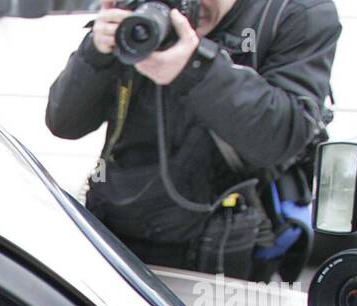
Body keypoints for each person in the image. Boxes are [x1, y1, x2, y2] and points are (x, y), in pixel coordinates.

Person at [46, 0, 341, 280]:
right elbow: (64, 123)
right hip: (112, 233)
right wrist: (97, 51)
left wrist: (196, 69)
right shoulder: (140, 10)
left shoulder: (296, 13)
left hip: (217, 251)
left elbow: (284, 135)